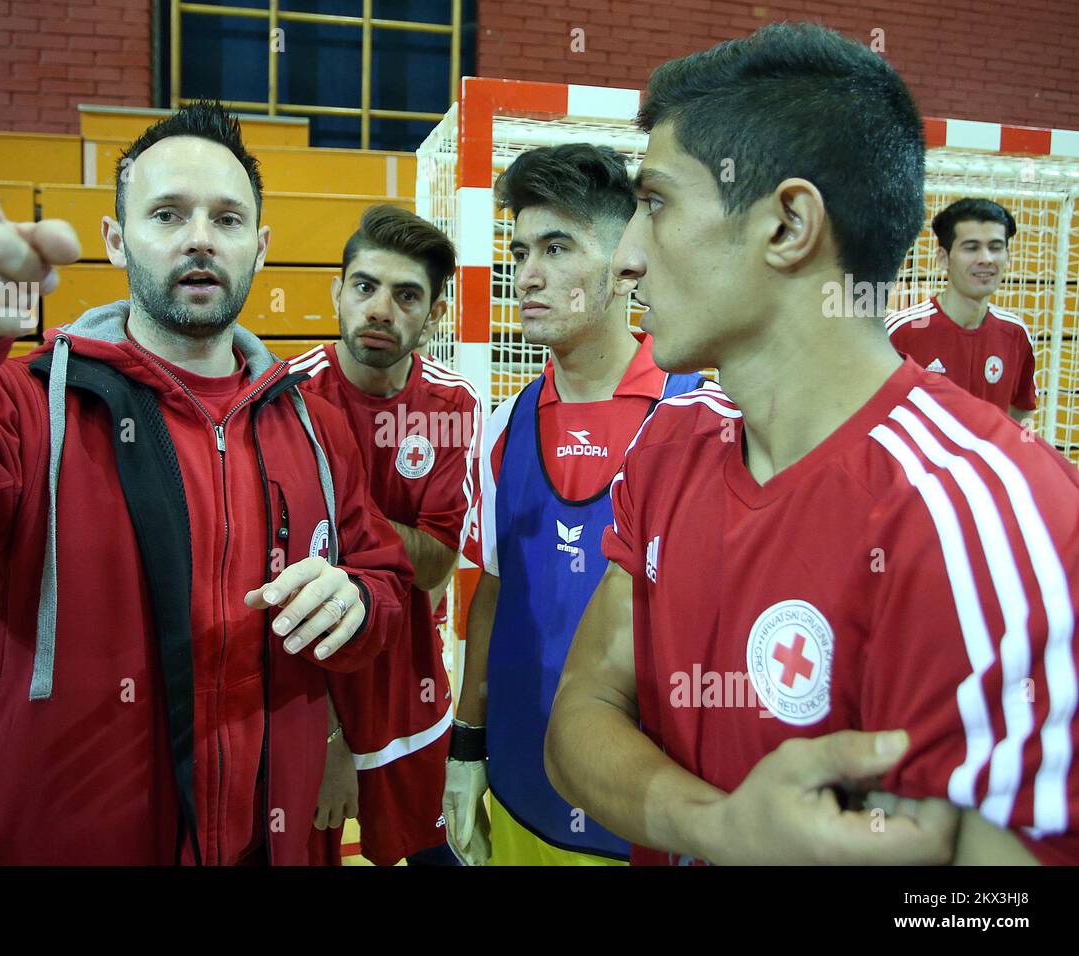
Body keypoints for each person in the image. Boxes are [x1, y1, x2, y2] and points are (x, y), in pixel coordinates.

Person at [0, 98, 412, 865]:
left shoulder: (311, 424)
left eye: (227, 219)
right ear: (116, 240)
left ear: (261, 245)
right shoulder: (24, 407)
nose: (201, 240)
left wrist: (357, 601)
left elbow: (385, 583)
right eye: (169, 215)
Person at [545, 22, 1079, 865]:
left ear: (789, 223)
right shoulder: (671, 445)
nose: (629, 257)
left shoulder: (989, 513)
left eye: (654, 204)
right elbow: (582, 711)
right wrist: (718, 827)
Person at [444, 144, 703, 866]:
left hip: (650, 819)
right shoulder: (503, 426)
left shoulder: (709, 422)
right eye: (521, 250)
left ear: (628, 262)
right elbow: (493, 595)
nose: (527, 275)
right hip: (521, 791)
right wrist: (467, 744)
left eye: (557, 248)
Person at [294, 204, 479, 866]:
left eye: (406, 296)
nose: (380, 309)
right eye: (365, 286)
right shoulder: (286, 399)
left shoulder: (454, 407)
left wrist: (339, 518)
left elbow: (431, 566)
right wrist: (331, 740)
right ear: (337, 292)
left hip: (411, 681)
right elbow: (290, 581)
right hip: (307, 691)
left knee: (430, 852)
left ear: (433, 315)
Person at [886, 199, 1037, 420]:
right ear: (943, 258)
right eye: (971, 247)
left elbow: (1021, 409)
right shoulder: (900, 331)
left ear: (1008, 257)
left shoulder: (1015, 333)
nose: (986, 259)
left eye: (995, 247)